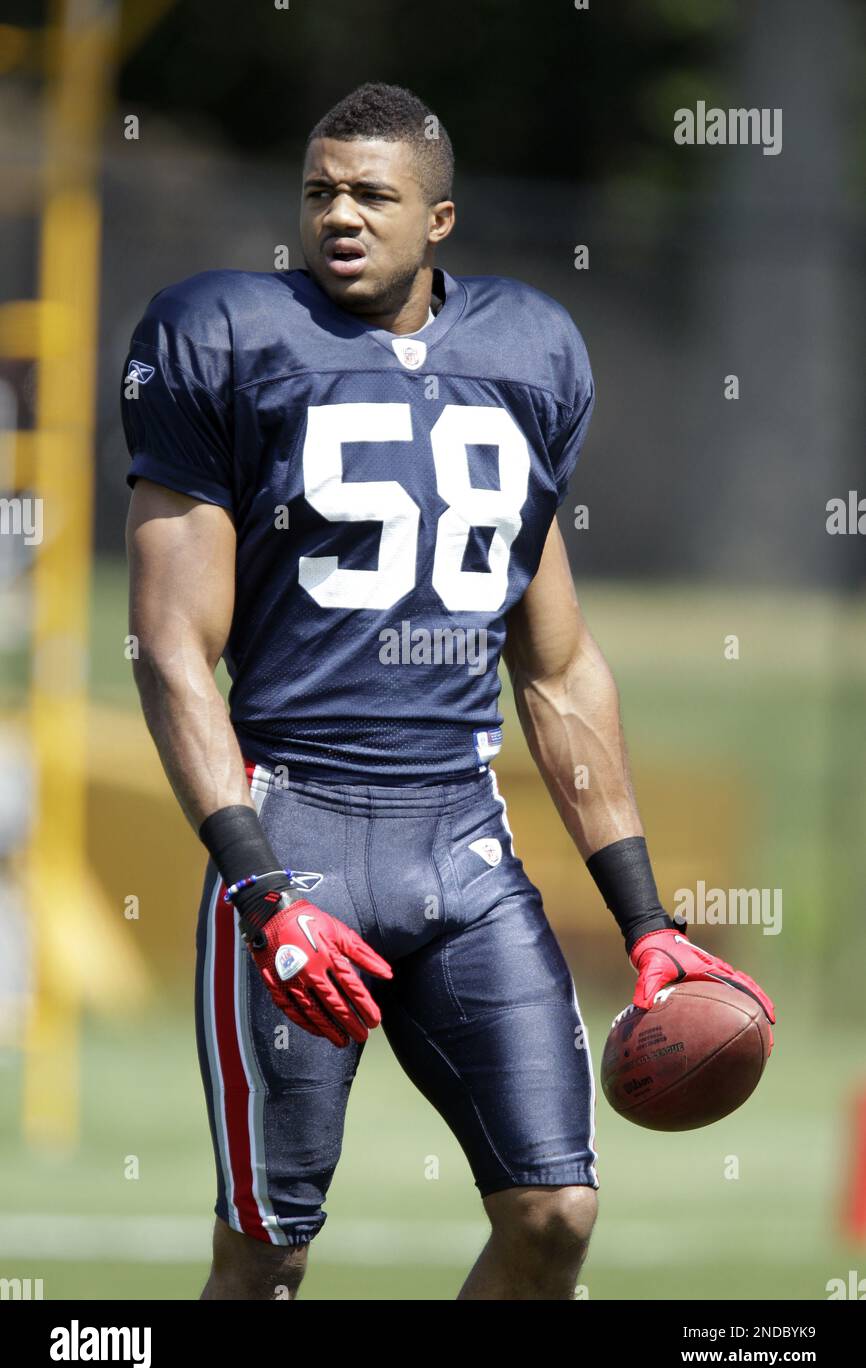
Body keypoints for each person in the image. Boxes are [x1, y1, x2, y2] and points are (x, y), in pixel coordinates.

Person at [123, 82, 774, 1301]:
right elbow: (168, 647)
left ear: (441, 221)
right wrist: (264, 891)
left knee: (555, 1212)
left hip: (459, 842)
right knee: (266, 1252)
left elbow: (560, 664)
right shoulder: (224, 336)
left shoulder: (522, 354)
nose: (339, 216)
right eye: (319, 191)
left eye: (373, 194)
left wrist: (646, 923)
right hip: (297, 824)